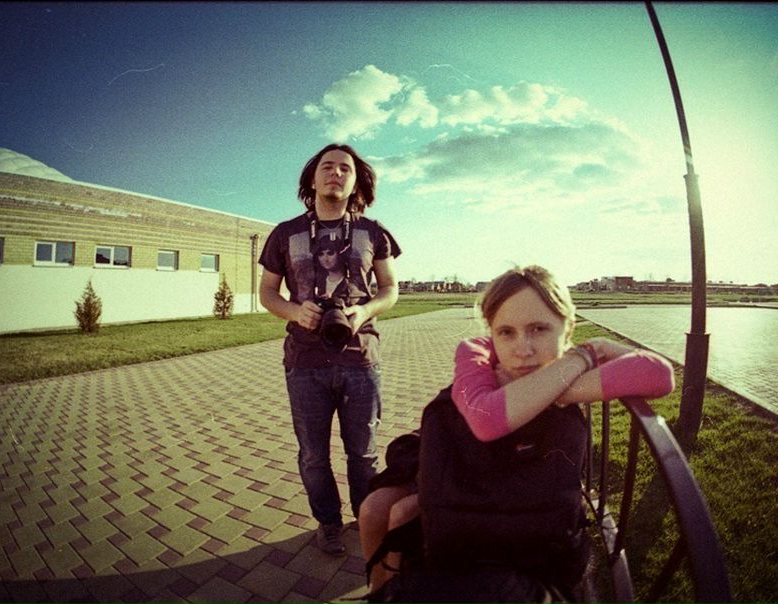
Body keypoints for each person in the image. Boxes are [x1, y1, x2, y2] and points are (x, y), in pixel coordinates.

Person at [359, 265, 674, 591]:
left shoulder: (566, 363)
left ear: (568, 328)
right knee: (373, 512)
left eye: (539, 329)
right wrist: (570, 373)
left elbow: (660, 375)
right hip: (458, 452)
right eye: (506, 332)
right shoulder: (476, 353)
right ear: (492, 334)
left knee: (402, 514)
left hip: (496, 480)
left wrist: (596, 348)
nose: (523, 350)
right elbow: (485, 420)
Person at [259, 143, 401, 556]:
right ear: (312, 177)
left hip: (361, 359)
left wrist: (364, 311)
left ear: (356, 182)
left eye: (345, 168)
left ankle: (366, 517)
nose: (335, 173)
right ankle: (328, 523)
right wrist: (294, 311)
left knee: (364, 454)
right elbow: (267, 292)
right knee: (313, 456)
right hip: (305, 361)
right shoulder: (285, 233)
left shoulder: (373, 232)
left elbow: (390, 288)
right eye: (327, 166)